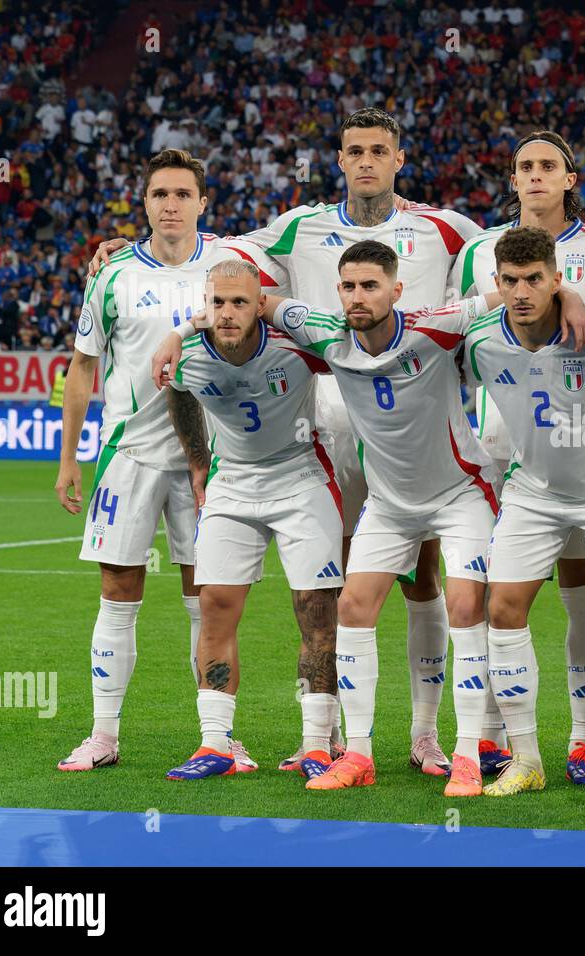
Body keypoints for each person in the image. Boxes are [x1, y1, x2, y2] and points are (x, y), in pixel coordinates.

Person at [91, 109, 483, 776]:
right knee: (328, 598)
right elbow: (221, 269)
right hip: (322, 424)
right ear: (338, 159)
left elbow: (504, 267)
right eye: (353, 149)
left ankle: (425, 734)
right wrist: (146, 283)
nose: (365, 161)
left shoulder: (446, 230)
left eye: (378, 150)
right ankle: (316, 740)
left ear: (399, 158)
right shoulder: (300, 226)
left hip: (408, 432)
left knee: (421, 581)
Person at [55, 149, 280, 773]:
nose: (172, 204)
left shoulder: (232, 265)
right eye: (160, 194)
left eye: (184, 193)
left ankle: (218, 737)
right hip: (129, 456)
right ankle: (103, 734)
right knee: (117, 591)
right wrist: (71, 458)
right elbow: (82, 368)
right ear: (145, 202)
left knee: (208, 597)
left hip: (214, 460)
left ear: (203, 202)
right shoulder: (112, 273)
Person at [451, 132, 585, 787]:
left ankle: (583, 743)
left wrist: (576, 297)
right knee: (500, 601)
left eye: (547, 166)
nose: (534, 176)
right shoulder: (477, 250)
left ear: (570, 175)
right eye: (524, 166)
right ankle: (495, 741)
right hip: (500, 452)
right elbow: (457, 326)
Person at [463, 226, 585, 800]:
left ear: (556, 279)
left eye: (534, 280)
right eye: (510, 281)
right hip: (533, 493)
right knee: (501, 610)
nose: (521, 292)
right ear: (496, 284)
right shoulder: (478, 339)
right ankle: (525, 758)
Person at [162, 260, 340, 781]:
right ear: (204, 305)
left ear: (259, 302)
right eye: (217, 302)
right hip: (231, 484)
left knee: (316, 613)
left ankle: (316, 745)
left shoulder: (293, 343)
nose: (228, 312)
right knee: (215, 605)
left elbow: (347, 340)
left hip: (302, 478)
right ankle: (215, 745)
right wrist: (197, 459)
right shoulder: (188, 354)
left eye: (240, 302)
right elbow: (176, 391)